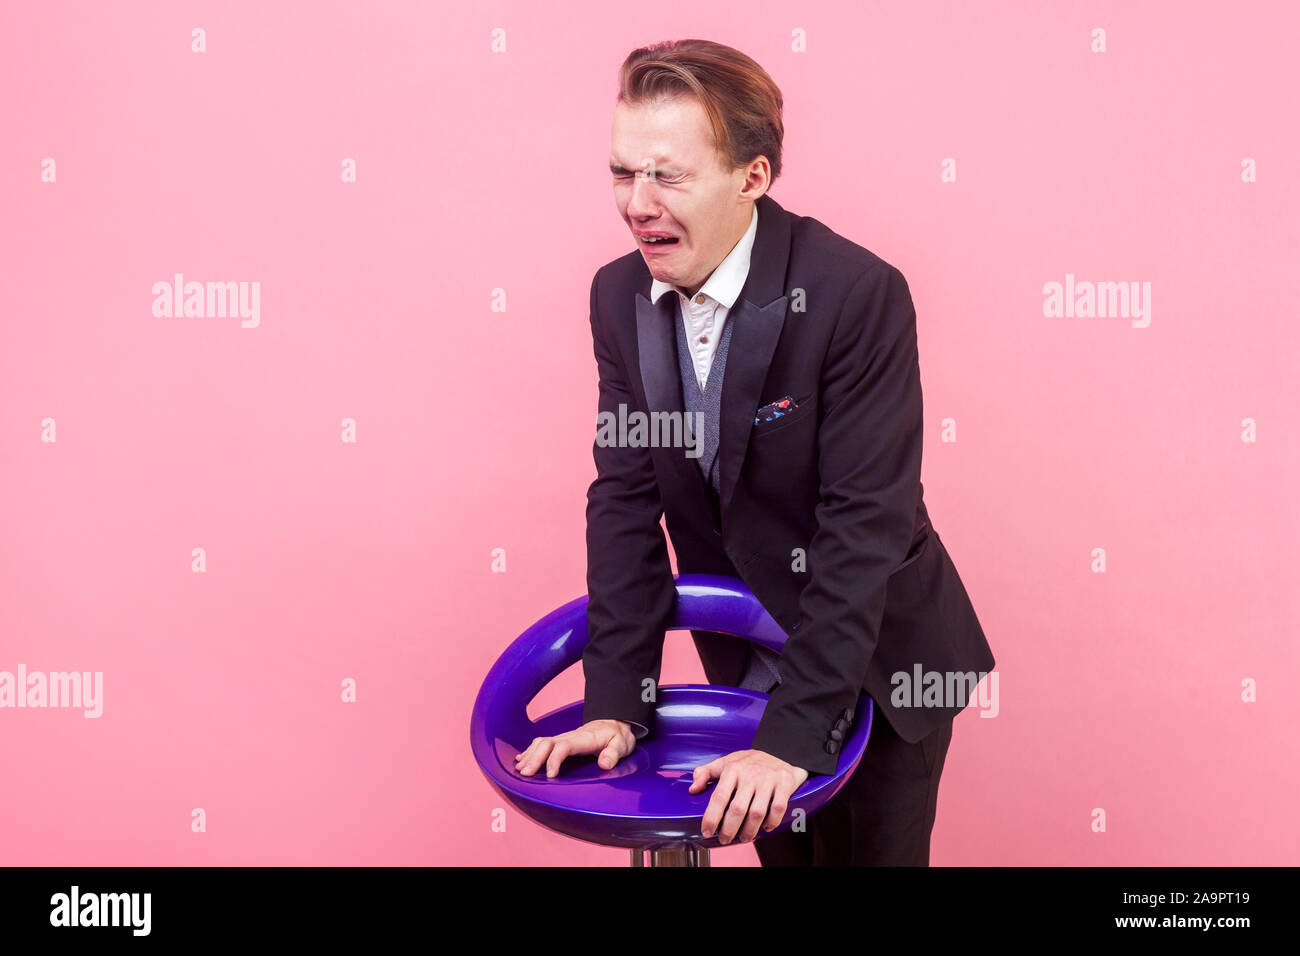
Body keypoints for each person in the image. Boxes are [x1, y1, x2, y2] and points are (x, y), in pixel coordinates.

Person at [515, 38, 995, 866]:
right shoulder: (617, 294)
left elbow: (863, 528)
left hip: (882, 655)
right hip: (751, 654)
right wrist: (617, 703)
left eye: (667, 175)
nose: (637, 203)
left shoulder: (855, 294)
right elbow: (626, 502)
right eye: (623, 173)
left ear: (753, 176)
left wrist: (792, 736)